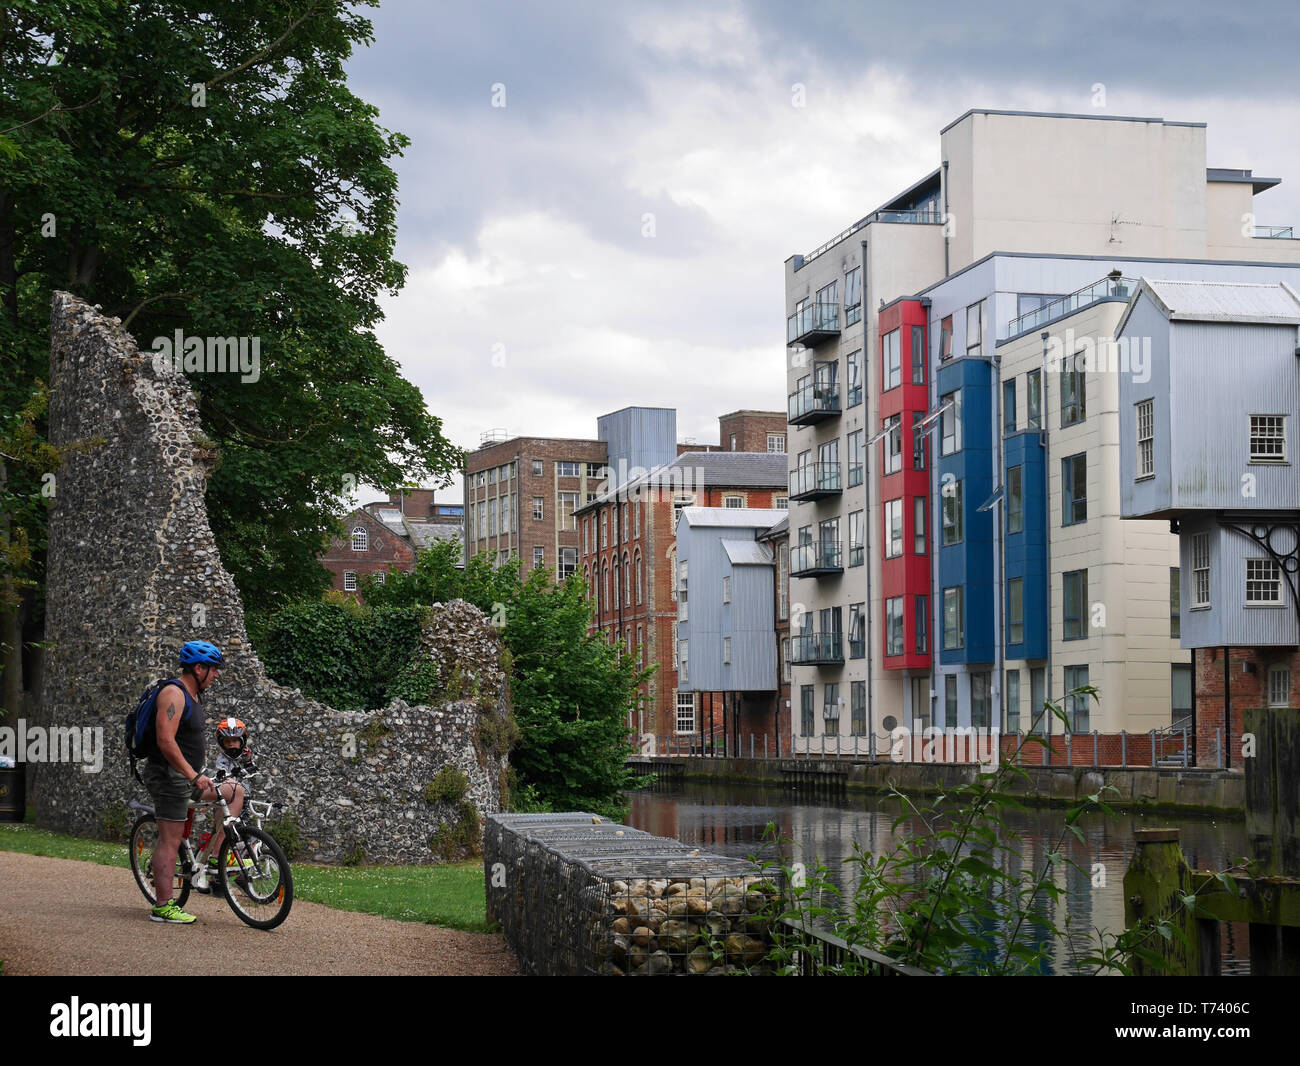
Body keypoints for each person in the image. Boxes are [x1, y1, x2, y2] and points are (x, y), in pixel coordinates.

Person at [142, 640, 245, 923]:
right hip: (169, 777)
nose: (217, 675)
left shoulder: (194, 695)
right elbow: (165, 740)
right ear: (198, 668)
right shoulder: (174, 694)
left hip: (188, 777)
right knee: (170, 840)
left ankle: (217, 855)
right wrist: (193, 775)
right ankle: (163, 906)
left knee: (235, 791)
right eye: (213, 670)